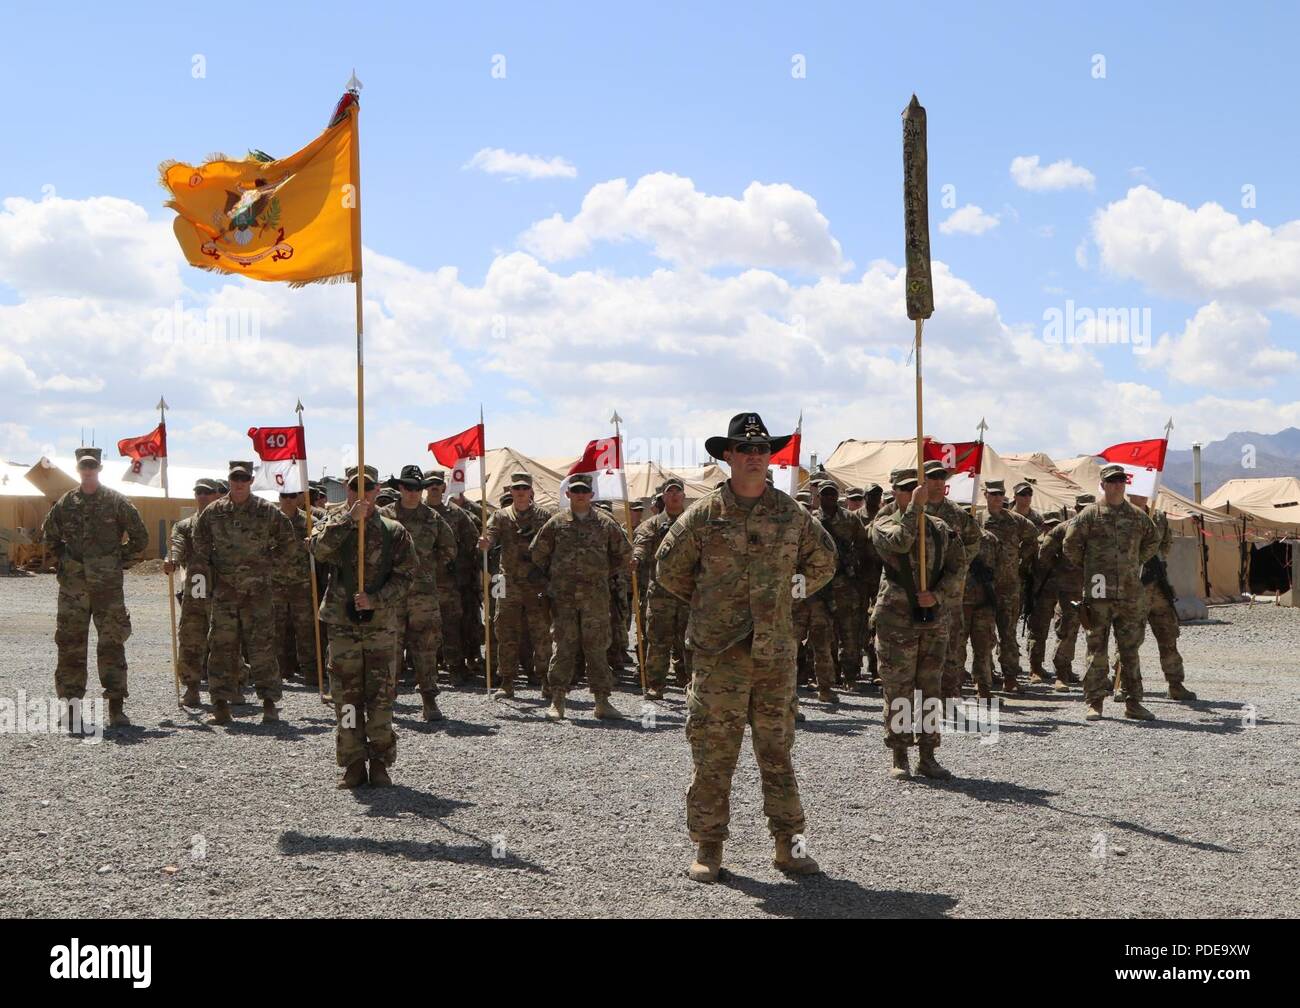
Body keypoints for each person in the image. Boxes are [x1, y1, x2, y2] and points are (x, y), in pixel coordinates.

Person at [656, 413, 836, 883]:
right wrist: (712, 604)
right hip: (720, 657)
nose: (754, 456)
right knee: (714, 752)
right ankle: (709, 847)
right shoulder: (705, 514)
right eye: (744, 448)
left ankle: (789, 846)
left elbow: (824, 560)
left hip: (774, 654)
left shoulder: (790, 513)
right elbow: (668, 570)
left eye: (761, 449)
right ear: (728, 456)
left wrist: (792, 588)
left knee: (777, 752)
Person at [310, 465, 417, 787]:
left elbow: (407, 576)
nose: (362, 493)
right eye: (355, 487)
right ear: (347, 488)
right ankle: (353, 761)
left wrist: (377, 598)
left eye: (367, 488)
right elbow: (317, 549)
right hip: (342, 625)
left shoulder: (393, 530)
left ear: (377, 489)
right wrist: (348, 520)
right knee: (346, 698)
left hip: (380, 626)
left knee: (381, 697)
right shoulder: (333, 522)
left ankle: (381, 762)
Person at [41, 447, 149, 729]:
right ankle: (72, 708)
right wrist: (65, 564)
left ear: (100, 468)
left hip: (107, 588)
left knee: (112, 644)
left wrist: (116, 561)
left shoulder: (116, 502)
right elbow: (49, 536)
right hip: (73, 589)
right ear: (78, 469)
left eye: (92, 466)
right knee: (70, 645)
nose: (87, 471)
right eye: (83, 467)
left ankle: (116, 707)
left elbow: (140, 536)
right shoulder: (66, 503)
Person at [869, 468, 963, 779]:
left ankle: (928, 754)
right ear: (894, 492)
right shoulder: (883, 523)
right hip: (897, 620)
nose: (912, 493)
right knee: (898, 689)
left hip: (932, 620)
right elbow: (899, 543)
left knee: (930, 689)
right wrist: (915, 509)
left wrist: (937, 595)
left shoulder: (940, 528)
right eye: (906, 489)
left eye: (916, 488)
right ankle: (899, 753)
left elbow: (958, 570)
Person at [190, 461, 297, 725]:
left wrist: (268, 565)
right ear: (229, 480)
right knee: (222, 648)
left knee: (261, 647)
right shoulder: (214, 512)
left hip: (256, 592)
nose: (239, 483)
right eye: (235, 478)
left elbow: (288, 540)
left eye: (244, 478)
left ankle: (269, 704)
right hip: (225, 592)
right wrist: (212, 567)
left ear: (251, 480)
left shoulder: (265, 510)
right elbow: (199, 541)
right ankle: (221, 705)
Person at [529, 477, 633, 720]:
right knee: (564, 647)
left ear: (591, 493)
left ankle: (602, 701)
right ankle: (558, 700)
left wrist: (604, 572)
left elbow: (624, 553)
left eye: (584, 491)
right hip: (564, 599)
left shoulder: (605, 523)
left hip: (595, 598)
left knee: (597, 648)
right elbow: (538, 552)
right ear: (568, 494)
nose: (580, 495)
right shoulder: (557, 523)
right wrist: (555, 578)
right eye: (575, 491)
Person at [1062, 464, 1159, 721]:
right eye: (1112, 481)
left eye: (1121, 481)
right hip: (1098, 592)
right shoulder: (1089, 515)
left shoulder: (1137, 516)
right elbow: (1070, 544)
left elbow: (1153, 539)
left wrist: (1136, 560)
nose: (1117, 485)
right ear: (1102, 484)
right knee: (1097, 649)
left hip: (1129, 593)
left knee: (1130, 650)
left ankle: (1134, 702)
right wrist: (1089, 565)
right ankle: (1095, 702)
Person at [380, 465, 456, 721]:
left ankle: (429, 700)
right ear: (399, 488)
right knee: (390, 648)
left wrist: (426, 568)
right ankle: (387, 701)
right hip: (391, 594)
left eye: (416, 488)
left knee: (425, 648)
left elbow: (449, 549)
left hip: (423, 596)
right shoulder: (384, 516)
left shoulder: (433, 518)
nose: (412, 492)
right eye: (407, 487)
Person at [479, 473, 553, 697]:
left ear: (531, 491)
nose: (520, 492)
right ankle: (507, 681)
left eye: (524, 488)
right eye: (516, 488)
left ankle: (545, 681)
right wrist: (486, 542)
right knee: (505, 632)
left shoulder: (544, 516)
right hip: (507, 582)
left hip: (535, 584)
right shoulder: (501, 516)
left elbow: (553, 543)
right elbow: (490, 534)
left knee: (540, 634)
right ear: (510, 491)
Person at [1119, 495, 1197, 703]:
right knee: (1130, 639)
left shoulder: (1159, 516)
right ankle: (1123, 684)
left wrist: (1155, 559)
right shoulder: (1122, 515)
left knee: (1168, 635)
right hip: (1135, 586)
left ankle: (1175, 684)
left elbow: (1166, 543)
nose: (1142, 494)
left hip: (1159, 586)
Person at [920, 460, 981, 700]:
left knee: (952, 645)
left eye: (940, 478)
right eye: (932, 477)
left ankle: (949, 694)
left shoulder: (956, 514)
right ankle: (921, 697)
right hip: (916, 588)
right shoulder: (914, 508)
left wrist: (959, 566)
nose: (936, 482)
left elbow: (975, 540)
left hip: (947, 593)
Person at [166, 477, 223, 707]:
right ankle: (191, 687)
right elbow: (176, 544)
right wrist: (171, 559)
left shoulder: (225, 524)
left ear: (215, 495)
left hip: (224, 589)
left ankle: (230, 686)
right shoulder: (184, 525)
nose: (202, 496)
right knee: (191, 638)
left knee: (224, 639)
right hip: (197, 588)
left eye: (207, 492)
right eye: (198, 492)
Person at [632, 478, 691, 698]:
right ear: (663, 497)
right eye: (670, 492)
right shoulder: (654, 523)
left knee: (688, 641)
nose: (674, 495)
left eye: (678, 492)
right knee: (658, 640)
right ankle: (656, 684)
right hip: (660, 595)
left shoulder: (692, 522)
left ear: (683, 496)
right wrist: (636, 558)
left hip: (687, 594)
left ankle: (689, 682)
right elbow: (641, 542)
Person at [978, 479, 1038, 693]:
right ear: (985, 495)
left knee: (1008, 634)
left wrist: (1021, 558)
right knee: (984, 635)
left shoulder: (1015, 520)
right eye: (993, 494)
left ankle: (1010, 678)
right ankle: (985, 677)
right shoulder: (977, 519)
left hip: (1009, 587)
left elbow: (1034, 538)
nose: (996, 498)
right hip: (983, 588)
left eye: (1000, 494)